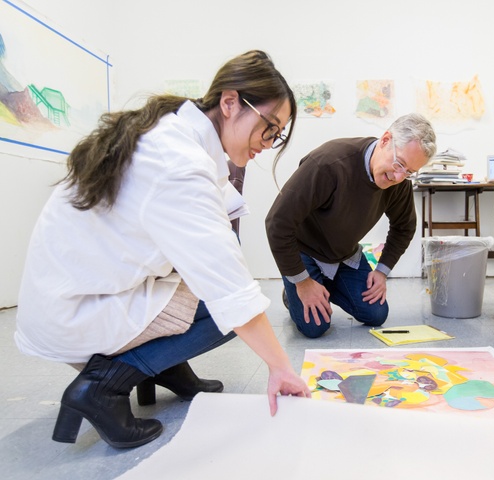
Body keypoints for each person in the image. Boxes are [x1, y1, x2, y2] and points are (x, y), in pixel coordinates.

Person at [14, 50, 311, 449]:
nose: (269, 143)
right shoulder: (179, 163)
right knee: (221, 306)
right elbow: (230, 286)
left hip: (78, 293)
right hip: (76, 312)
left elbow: (214, 217)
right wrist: (280, 367)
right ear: (229, 102)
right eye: (270, 128)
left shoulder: (169, 133)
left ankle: (162, 367)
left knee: (207, 284)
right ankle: (104, 386)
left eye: (276, 135)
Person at [265, 114, 437, 338]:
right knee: (314, 328)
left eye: (409, 172)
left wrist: (382, 271)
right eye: (399, 164)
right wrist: (303, 282)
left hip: (344, 255)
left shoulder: (399, 182)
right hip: (305, 252)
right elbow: (277, 222)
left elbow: (404, 227)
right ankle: (293, 291)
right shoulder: (328, 163)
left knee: (376, 314)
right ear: (386, 140)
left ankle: (323, 284)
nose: (398, 176)